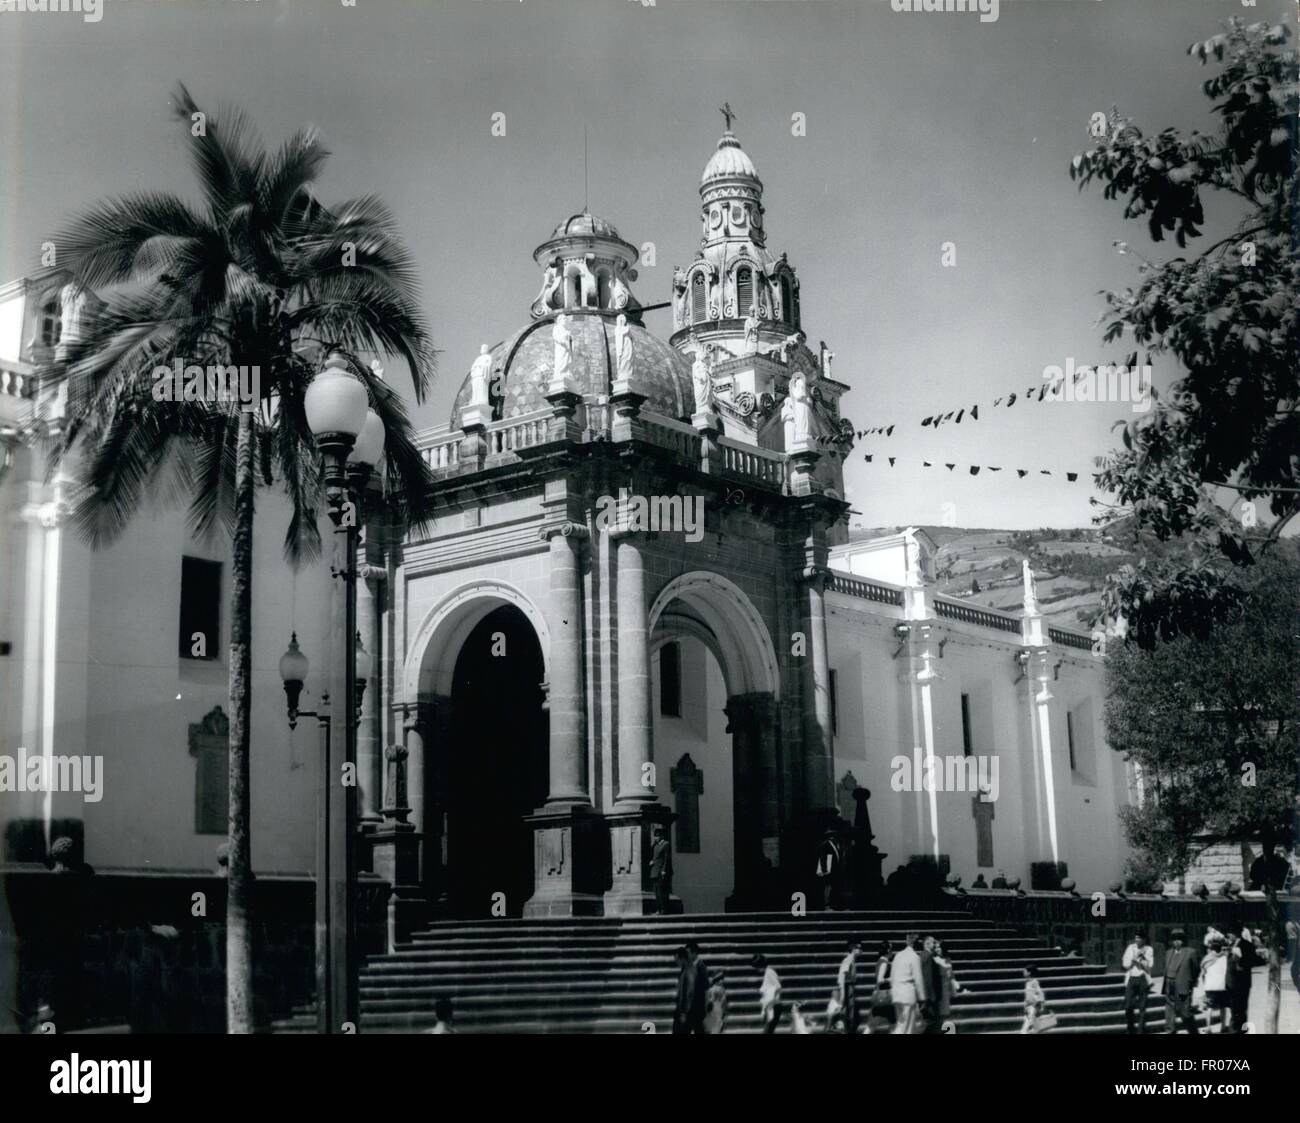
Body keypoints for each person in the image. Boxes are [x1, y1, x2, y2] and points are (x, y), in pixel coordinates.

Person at [1162, 929, 1199, 1035]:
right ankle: (1170, 1030)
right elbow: (1165, 967)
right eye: (1174, 939)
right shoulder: (1168, 952)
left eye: (1179, 939)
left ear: (1183, 940)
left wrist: (1191, 984)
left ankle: (1193, 1031)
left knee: (1185, 1013)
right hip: (1169, 984)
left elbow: (1195, 969)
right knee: (1169, 1010)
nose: (1177, 941)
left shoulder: (1190, 952)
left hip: (1183, 985)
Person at [889, 932, 924, 1034]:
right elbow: (918, 979)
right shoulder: (914, 957)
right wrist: (922, 998)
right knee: (908, 1027)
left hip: (897, 994)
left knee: (900, 1024)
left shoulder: (898, 956)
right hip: (908, 995)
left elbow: (892, 975)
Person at [1227, 928, 1259, 1033]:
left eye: (1229, 934)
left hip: (1242, 982)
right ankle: (1235, 1028)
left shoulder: (1247, 945)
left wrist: (1241, 960)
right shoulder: (1231, 945)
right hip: (1231, 981)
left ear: (1235, 934)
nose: (1228, 936)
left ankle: (1240, 1029)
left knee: (1241, 1007)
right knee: (1233, 1007)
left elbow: (1253, 961)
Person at [1121, 932, 1153, 1033]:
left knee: (1142, 1006)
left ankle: (1140, 1030)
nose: (1137, 940)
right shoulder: (1130, 948)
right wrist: (1132, 960)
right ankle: (1130, 1028)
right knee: (1128, 1005)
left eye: (1139, 938)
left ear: (1144, 940)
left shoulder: (1148, 949)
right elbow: (1125, 964)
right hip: (1131, 977)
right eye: (1135, 938)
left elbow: (1149, 965)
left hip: (1143, 977)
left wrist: (1139, 961)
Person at [1198, 934, 1231, 1033]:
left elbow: (1203, 973)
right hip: (1222, 985)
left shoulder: (1206, 959)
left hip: (1210, 986)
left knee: (1209, 1007)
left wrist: (1204, 984)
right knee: (1223, 1007)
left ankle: (1208, 1027)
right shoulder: (1225, 957)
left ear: (1211, 947)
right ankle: (1223, 1026)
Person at [833, 938, 860, 1034]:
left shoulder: (851, 959)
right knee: (850, 1012)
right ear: (853, 949)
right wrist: (843, 993)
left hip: (850, 986)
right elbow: (842, 976)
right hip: (848, 987)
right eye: (859, 948)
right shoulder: (848, 959)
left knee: (852, 1012)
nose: (860, 951)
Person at [933, 940, 963, 1026]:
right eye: (935, 948)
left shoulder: (947, 959)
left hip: (946, 987)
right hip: (939, 987)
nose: (937, 949)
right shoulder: (935, 959)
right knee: (940, 1012)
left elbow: (951, 972)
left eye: (938, 947)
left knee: (945, 1012)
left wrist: (954, 982)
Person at [753, 953, 784, 1033]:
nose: (757, 970)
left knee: (767, 1030)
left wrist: (772, 1000)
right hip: (772, 1006)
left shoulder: (769, 972)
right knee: (769, 1030)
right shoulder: (768, 972)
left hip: (774, 1006)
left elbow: (778, 986)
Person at [868, 939, 894, 1033]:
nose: (892, 952)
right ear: (887, 950)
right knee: (893, 1022)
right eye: (891, 949)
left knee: (872, 1024)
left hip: (881, 995)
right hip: (885, 996)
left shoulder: (880, 961)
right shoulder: (884, 963)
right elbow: (880, 980)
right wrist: (890, 979)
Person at [919, 934, 942, 1033]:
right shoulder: (929, 956)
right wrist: (930, 997)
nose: (935, 944)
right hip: (930, 996)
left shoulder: (921, 955)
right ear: (927, 944)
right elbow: (928, 978)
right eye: (933, 942)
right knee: (933, 1022)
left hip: (925, 994)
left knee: (928, 1022)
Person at [649, 827, 671, 915]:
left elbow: (667, 859)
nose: (655, 838)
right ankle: (658, 909)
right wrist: (652, 861)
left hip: (661, 872)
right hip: (655, 871)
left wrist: (664, 870)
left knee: (662, 892)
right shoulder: (656, 845)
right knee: (657, 892)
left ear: (661, 836)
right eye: (655, 836)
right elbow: (656, 857)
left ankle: (663, 909)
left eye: (657, 836)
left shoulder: (666, 844)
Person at [672, 946, 694, 1035]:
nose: (676, 962)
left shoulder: (688, 972)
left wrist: (684, 1012)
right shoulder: (685, 971)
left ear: (683, 958)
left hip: (684, 1011)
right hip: (682, 1010)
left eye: (677, 959)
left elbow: (688, 993)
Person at [1020, 964, 1046, 1033]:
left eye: (1024, 971)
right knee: (1030, 1027)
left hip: (1033, 1007)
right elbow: (1028, 996)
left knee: (1026, 1028)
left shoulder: (1034, 982)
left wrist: (1041, 1005)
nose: (1023, 972)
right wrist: (1025, 1005)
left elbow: (1040, 993)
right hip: (1028, 1007)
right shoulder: (1027, 982)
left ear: (1029, 973)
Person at [703, 969, 728, 1034]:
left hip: (710, 1013)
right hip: (718, 1011)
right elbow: (724, 1002)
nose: (722, 981)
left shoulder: (709, 990)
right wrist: (725, 1014)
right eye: (721, 979)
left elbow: (706, 1002)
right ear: (717, 980)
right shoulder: (721, 990)